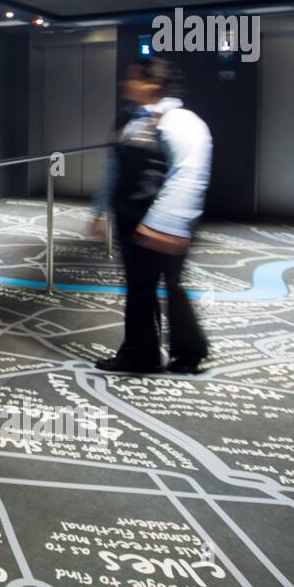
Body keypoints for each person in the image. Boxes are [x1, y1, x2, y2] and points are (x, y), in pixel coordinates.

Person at [90, 58, 212, 374]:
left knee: (172, 285)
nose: (124, 84)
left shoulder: (182, 121)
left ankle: (189, 352)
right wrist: (101, 210)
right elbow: (113, 168)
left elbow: (188, 174)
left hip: (166, 222)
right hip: (130, 219)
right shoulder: (127, 119)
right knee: (138, 288)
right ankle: (139, 353)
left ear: (153, 84)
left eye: (132, 78)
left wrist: (164, 224)